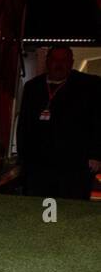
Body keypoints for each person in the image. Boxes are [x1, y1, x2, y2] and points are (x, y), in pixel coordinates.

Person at [16, 46, 101, 201]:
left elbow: (97, 121)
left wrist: (96, 154)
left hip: (75, 163)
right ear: (47, 62)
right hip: (39, 163)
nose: (59, 64)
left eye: (64, 60)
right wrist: (23, 157)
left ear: (72, 62)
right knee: (38, 206)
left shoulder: (90, 86)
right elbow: (24, 124)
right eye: (55, 60)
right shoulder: (32, 87)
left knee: (71, 209)